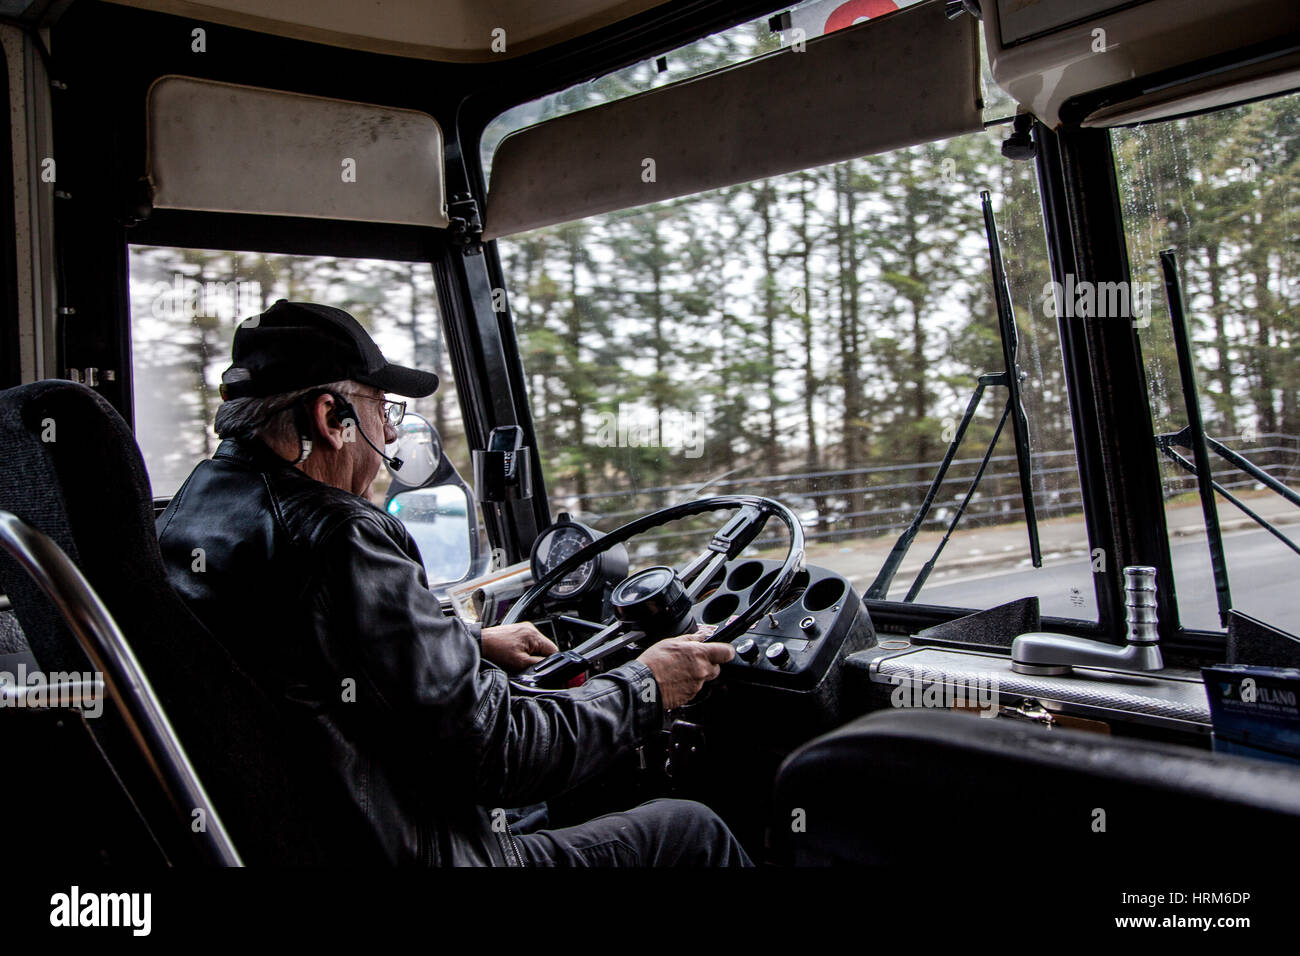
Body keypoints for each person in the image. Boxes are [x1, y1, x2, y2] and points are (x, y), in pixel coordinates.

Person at [157, 299, 750, 866]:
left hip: (322, 832)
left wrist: (469, 644)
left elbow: (306, 656)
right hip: (413, 849)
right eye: (381, 411)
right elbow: (503, 752)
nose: (389, 436)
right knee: (692, 830)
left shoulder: (191, 510)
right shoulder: (341, 535)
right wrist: (649, 684)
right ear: (332, 418)